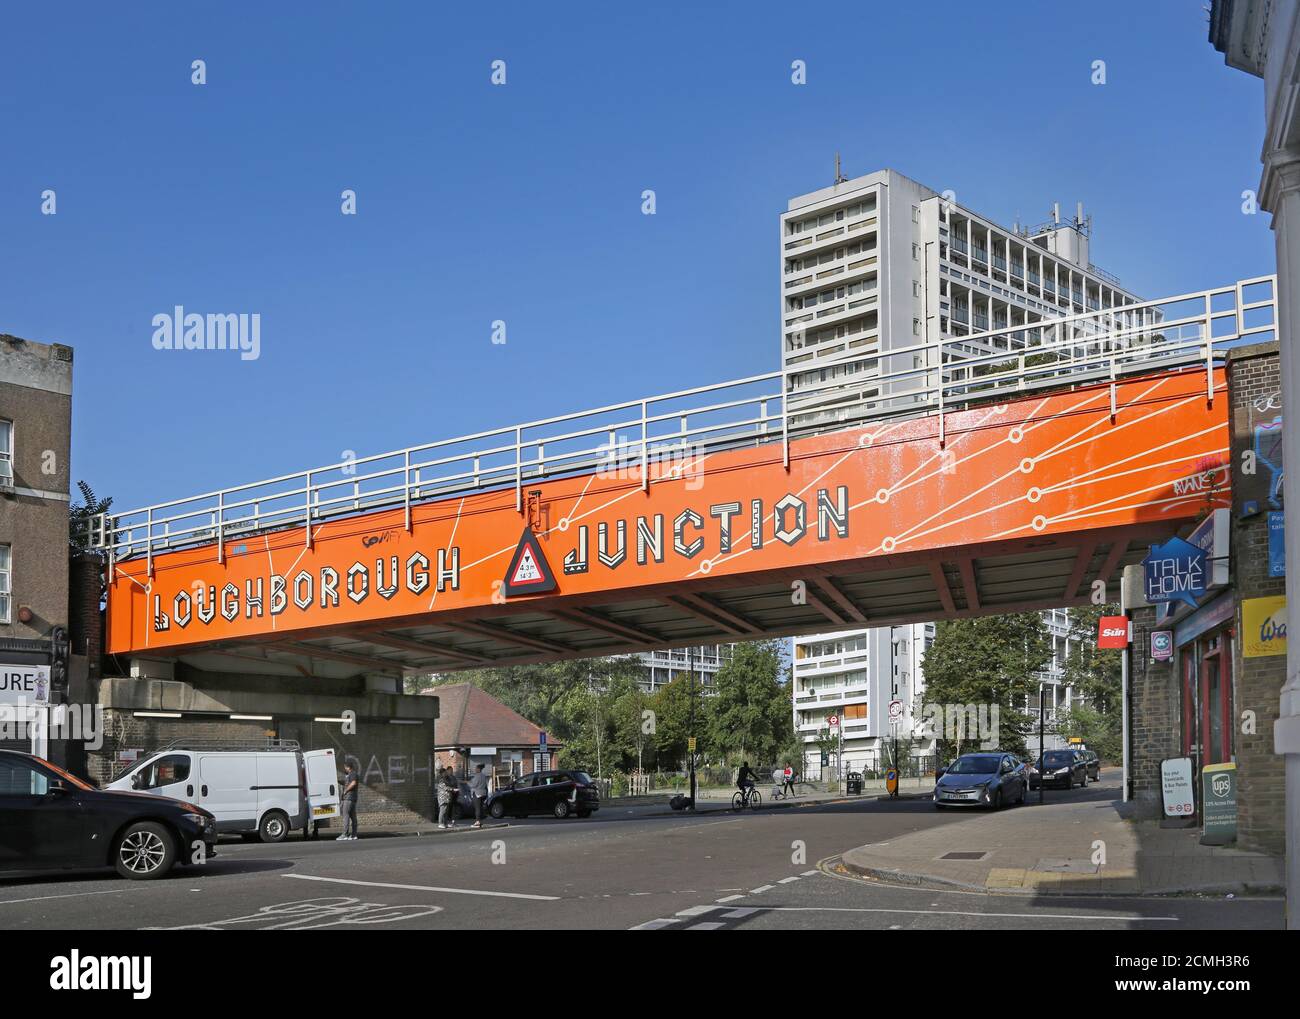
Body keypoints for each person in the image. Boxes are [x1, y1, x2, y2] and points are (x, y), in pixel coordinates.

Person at [339, 761, 359, 841]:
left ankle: (345, 834)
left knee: (346, 816)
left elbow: (353, 783)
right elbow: (348, 783)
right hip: (353, 799)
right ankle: (354, 835)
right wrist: (339, 781)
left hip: (349, 798)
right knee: (353, 817)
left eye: (345, 767)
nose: (344, 769)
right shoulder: (351, 775)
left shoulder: (352, 774)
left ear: (348, 767)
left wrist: (345, 791)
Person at [468, 763, 490, 828]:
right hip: (483, 793)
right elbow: (485, 784)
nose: (475, 769)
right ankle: (480, 821)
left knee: (477, 808)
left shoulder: (477, 776)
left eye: (476, 768)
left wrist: (468, 783)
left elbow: (473, 785)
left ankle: (477, 822)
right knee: (480, 808)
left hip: (477, 793)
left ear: (478, 769)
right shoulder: (483, 776)